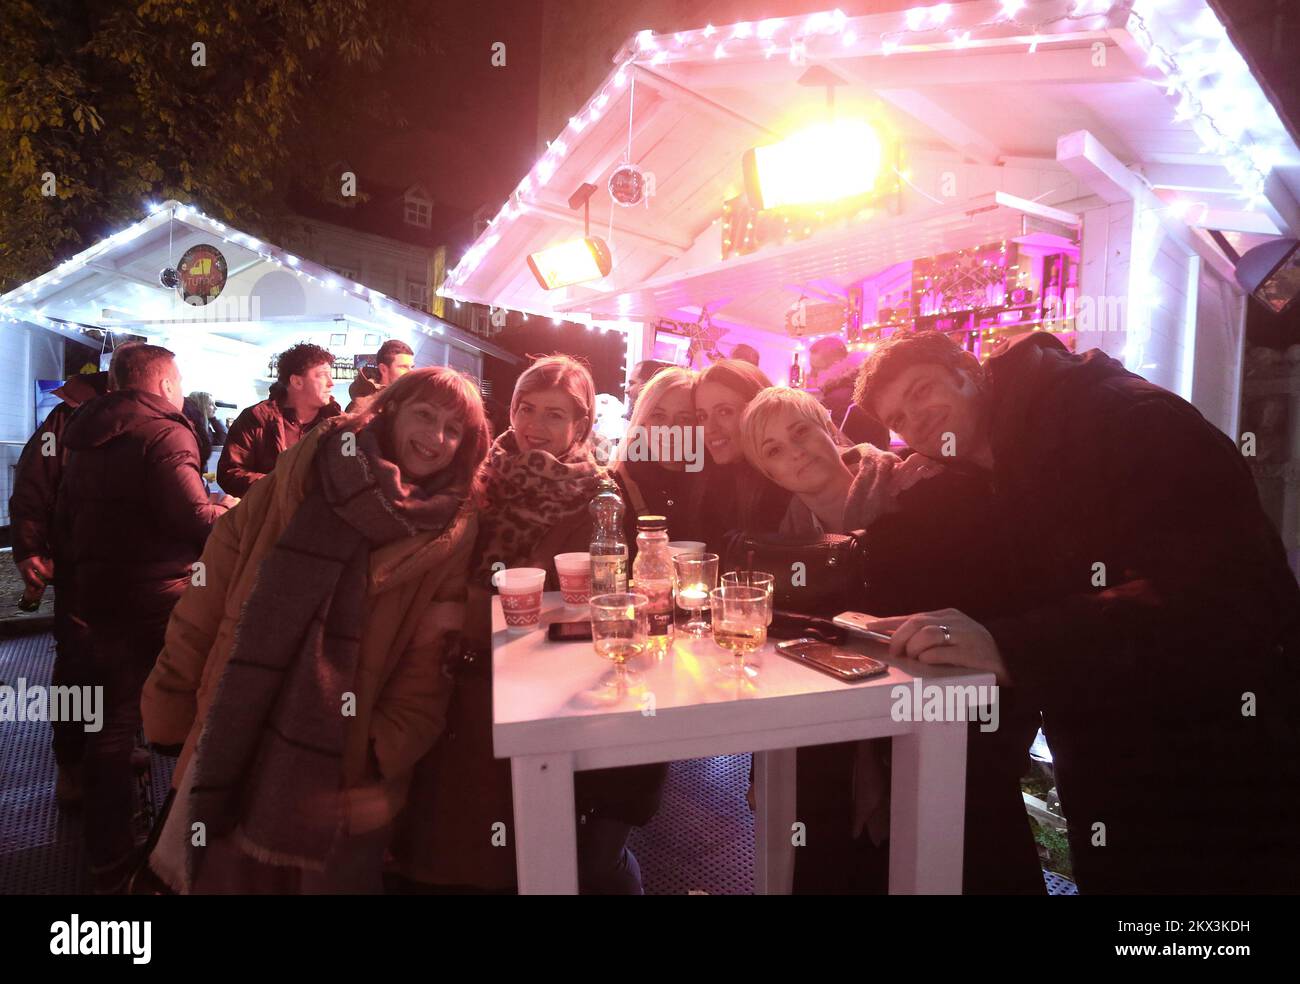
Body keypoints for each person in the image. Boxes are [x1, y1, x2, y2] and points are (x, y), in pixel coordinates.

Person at [855, 329, 1300, 893]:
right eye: (898, 417)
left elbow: (1220, 598)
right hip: (1109, 747)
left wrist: (1013, 645)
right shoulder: (995, 464)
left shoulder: (1124, 420)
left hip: (1218, 757)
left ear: (971, 371)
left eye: (922, 391)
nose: (914, 420)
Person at [141, 367, 487, 894]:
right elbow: (207, 597)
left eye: (453, 430)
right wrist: (171, 698)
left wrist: (377, 754)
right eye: (424, 415)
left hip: (339, 765)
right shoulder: (305, 471)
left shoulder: (451, 530)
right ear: (392, 411)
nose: (436, 439)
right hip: (230, 724)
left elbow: (429, 663)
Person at [739, 385, 1044, 894]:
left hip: (952, 736)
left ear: (830, 431)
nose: (793, 451)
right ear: (769, 473)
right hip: (838, 745)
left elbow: (993, 609)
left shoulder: (923, 492)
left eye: (801, 432)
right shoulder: (784, 541)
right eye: (773, 450)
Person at [390, 355, 663, 894]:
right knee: (433, 835)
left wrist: (458, 611)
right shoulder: (476, 474)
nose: (535, 426)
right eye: (527, 408)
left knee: (511, 845)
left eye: (556, 415)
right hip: (444, 677)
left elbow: (590, 612)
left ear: (581, 426)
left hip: (529, 684)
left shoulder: (598, 498)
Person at [55, 344, 235, 893]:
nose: (181, 389)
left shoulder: (86, 430)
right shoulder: (166, 431)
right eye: (178, 379)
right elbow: (191, 517)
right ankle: (181, 846)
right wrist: (227, 511)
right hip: (158, 593)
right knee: (199, 705)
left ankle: (107, 853)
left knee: (110, 723)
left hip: (100, 587)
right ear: (161, 382)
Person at [8, 366, 110, 804]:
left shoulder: (135, 426)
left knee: (120, 661)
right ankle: (71, 762)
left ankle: (110, 749)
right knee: (77, 662)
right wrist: (30, 550)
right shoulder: (61, 427)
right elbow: (31, 488)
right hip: (78, 562)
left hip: (125, 566)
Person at [217, 342, 341, 496]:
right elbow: (229, 473)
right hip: (268, 518)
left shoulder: (340, 424)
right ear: (296, 381)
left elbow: (352, 474)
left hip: (322, 519)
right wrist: (281, 486)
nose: (331, 383)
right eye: (322, 375)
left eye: (330, 374)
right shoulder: (256, 419)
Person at [692, 359, 790, 549]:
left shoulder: (788, 478)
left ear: (759, 410)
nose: (710, 428)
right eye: (702, 416)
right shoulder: (705, 477)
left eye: (724, 412)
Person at [612, 366, 704, 553]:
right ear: (643, 420)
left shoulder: (714, 486)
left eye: (685, 418)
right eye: (658, 415)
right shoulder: (616, 487)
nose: (669, 427)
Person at [807, 335, 890, 449]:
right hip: (875, 460)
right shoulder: (862, 388)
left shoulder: (838, 399)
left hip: (858, 464)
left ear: (835, 364)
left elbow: (830, 447)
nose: (812, 374)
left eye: (816, 368)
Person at [346, 339, 416, 413]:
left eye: (412, 367)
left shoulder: (408, 399)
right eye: (403, 367)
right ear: (383, 369)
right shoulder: (362, 409)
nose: (411, 372)